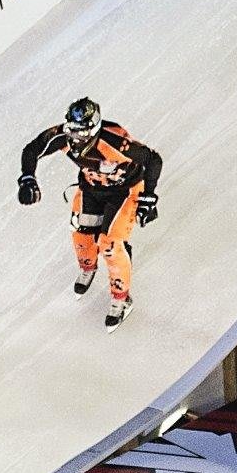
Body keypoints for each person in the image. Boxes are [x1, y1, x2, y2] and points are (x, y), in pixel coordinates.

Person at [16, 95, 163, 326]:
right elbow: (32, 149)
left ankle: (121, 298)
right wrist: (27, 178)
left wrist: (148, 197)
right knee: (80, 234)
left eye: (82, 133)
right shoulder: (62, 136)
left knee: (111, 245)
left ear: (94, 130)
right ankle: (88, 266)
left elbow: (153, 160)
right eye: (71, 130)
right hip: (91, 188)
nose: (75, 138)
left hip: (124, 192)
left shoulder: (115, 141)